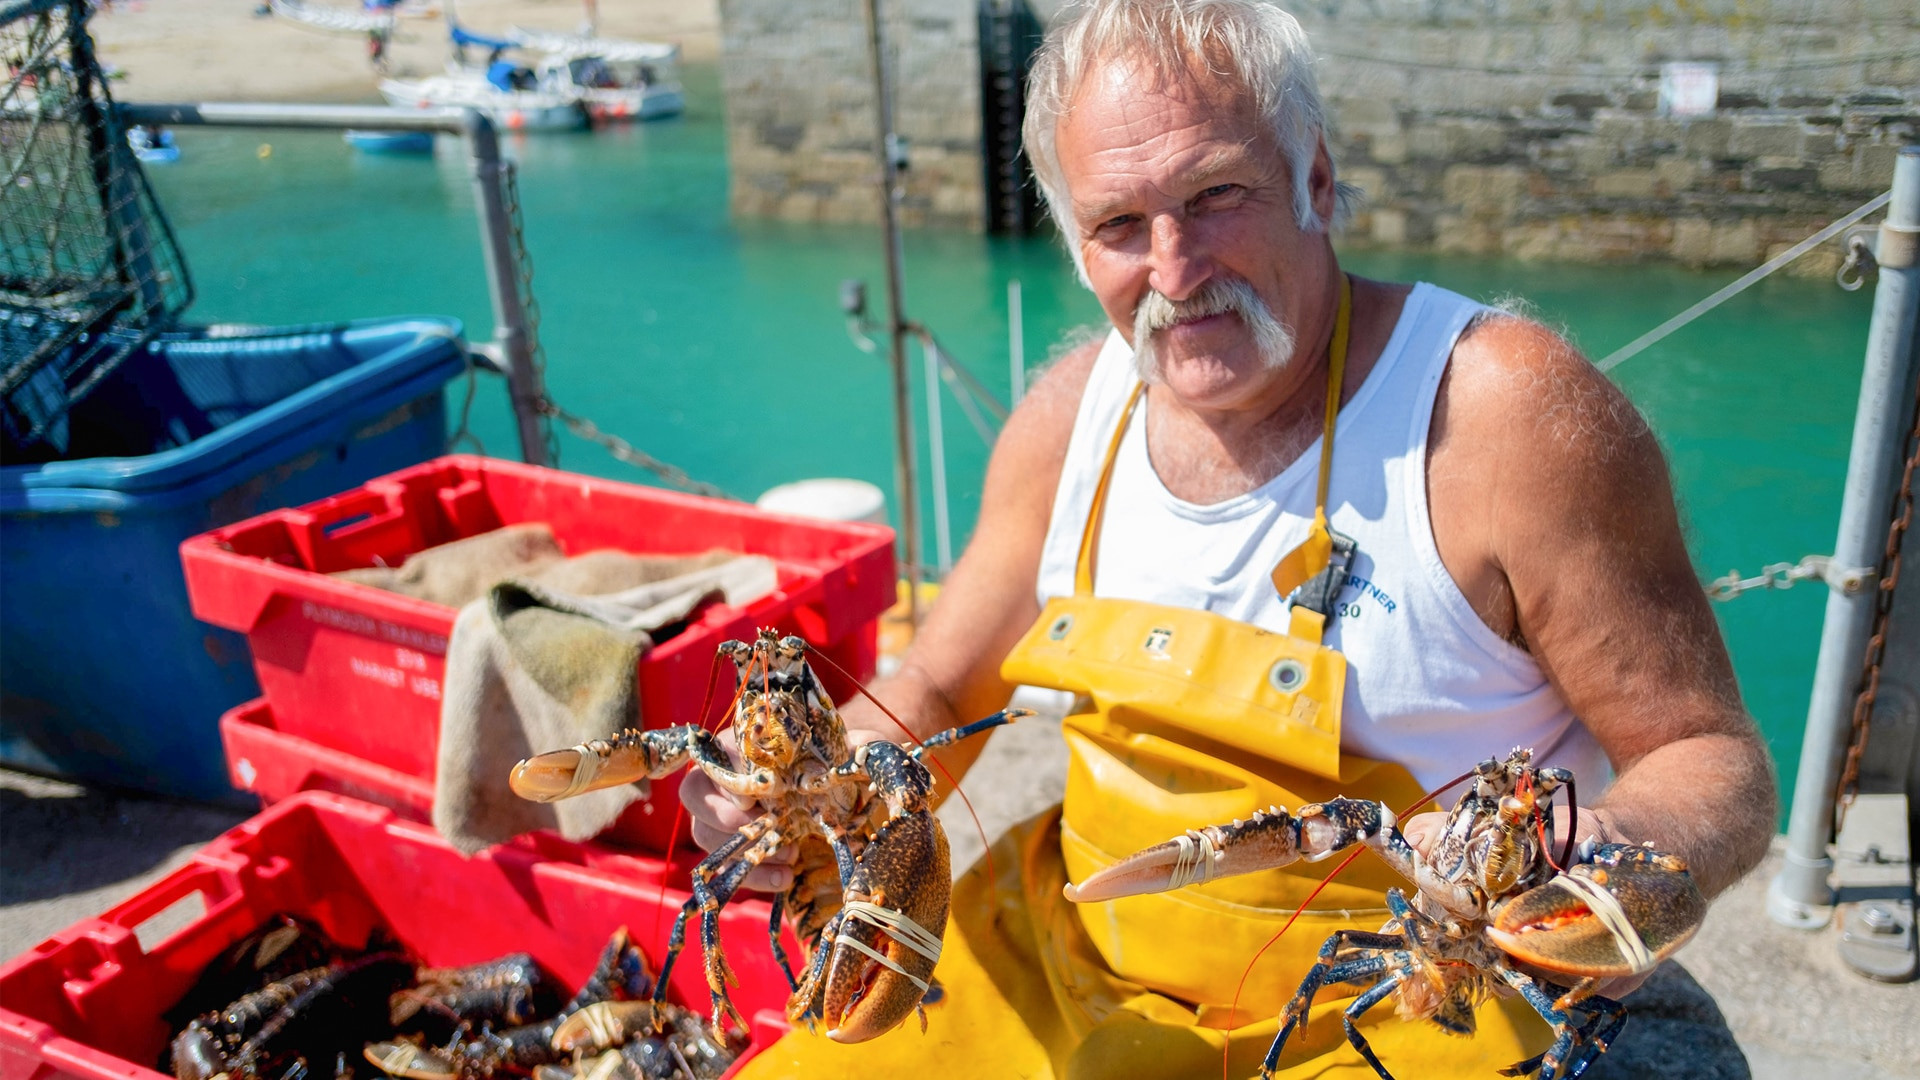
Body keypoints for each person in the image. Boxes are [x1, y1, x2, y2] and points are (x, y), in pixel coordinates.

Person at [689, 1, 1777, 1076]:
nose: (1173, 268)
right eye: (1119, 224)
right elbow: (932, 687)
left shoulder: (1502, 414)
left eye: (1214, 197)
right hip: (1078, 959)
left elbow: (1714, 762)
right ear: (1073, 243)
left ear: (1315, 180)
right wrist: (803, 786)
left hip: (1413, 992)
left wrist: (1602, 865)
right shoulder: (1069, 417)